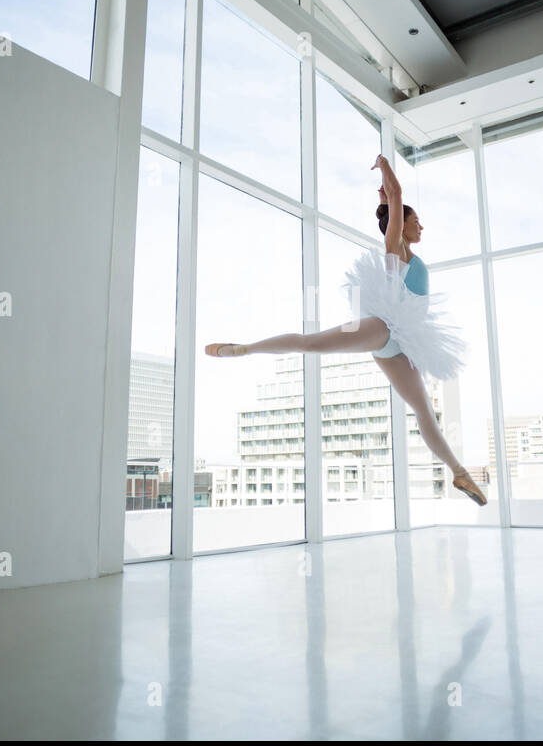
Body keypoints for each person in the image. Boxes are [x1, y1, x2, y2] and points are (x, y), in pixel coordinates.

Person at [204, 153, 487, 506]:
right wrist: (386, 169)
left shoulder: (404, 248)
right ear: (401, 225)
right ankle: (245, 348)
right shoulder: (396, 249)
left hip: (403, 346)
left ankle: (459, 472)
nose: (421, 227)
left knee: (425, 413)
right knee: (310, 343)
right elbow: (397, 199)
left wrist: (383, 202)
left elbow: (392, 202)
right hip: (385, 328)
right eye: (417, 221)